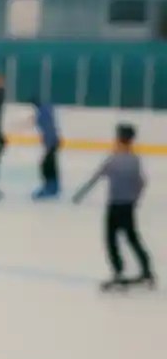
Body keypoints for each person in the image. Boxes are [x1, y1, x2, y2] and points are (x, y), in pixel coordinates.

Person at [73, 123, 155, 290]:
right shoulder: (135, 159)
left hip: (114, 206)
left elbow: (95, 178)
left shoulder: (113, 159)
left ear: (118, 139)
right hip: (128, 206)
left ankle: (118, 271)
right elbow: (141, 183)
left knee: (111, 239)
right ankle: (146, 269)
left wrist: (80, 194)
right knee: (132, 238)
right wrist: (135, 199)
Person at [21, 97, 62, 199]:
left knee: (46, 165)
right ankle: (53, 186)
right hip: (54, 141)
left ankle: (50, 186)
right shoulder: (46, 110)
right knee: (50, 164)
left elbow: (46, 129)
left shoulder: (41, 116)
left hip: (51, 143)